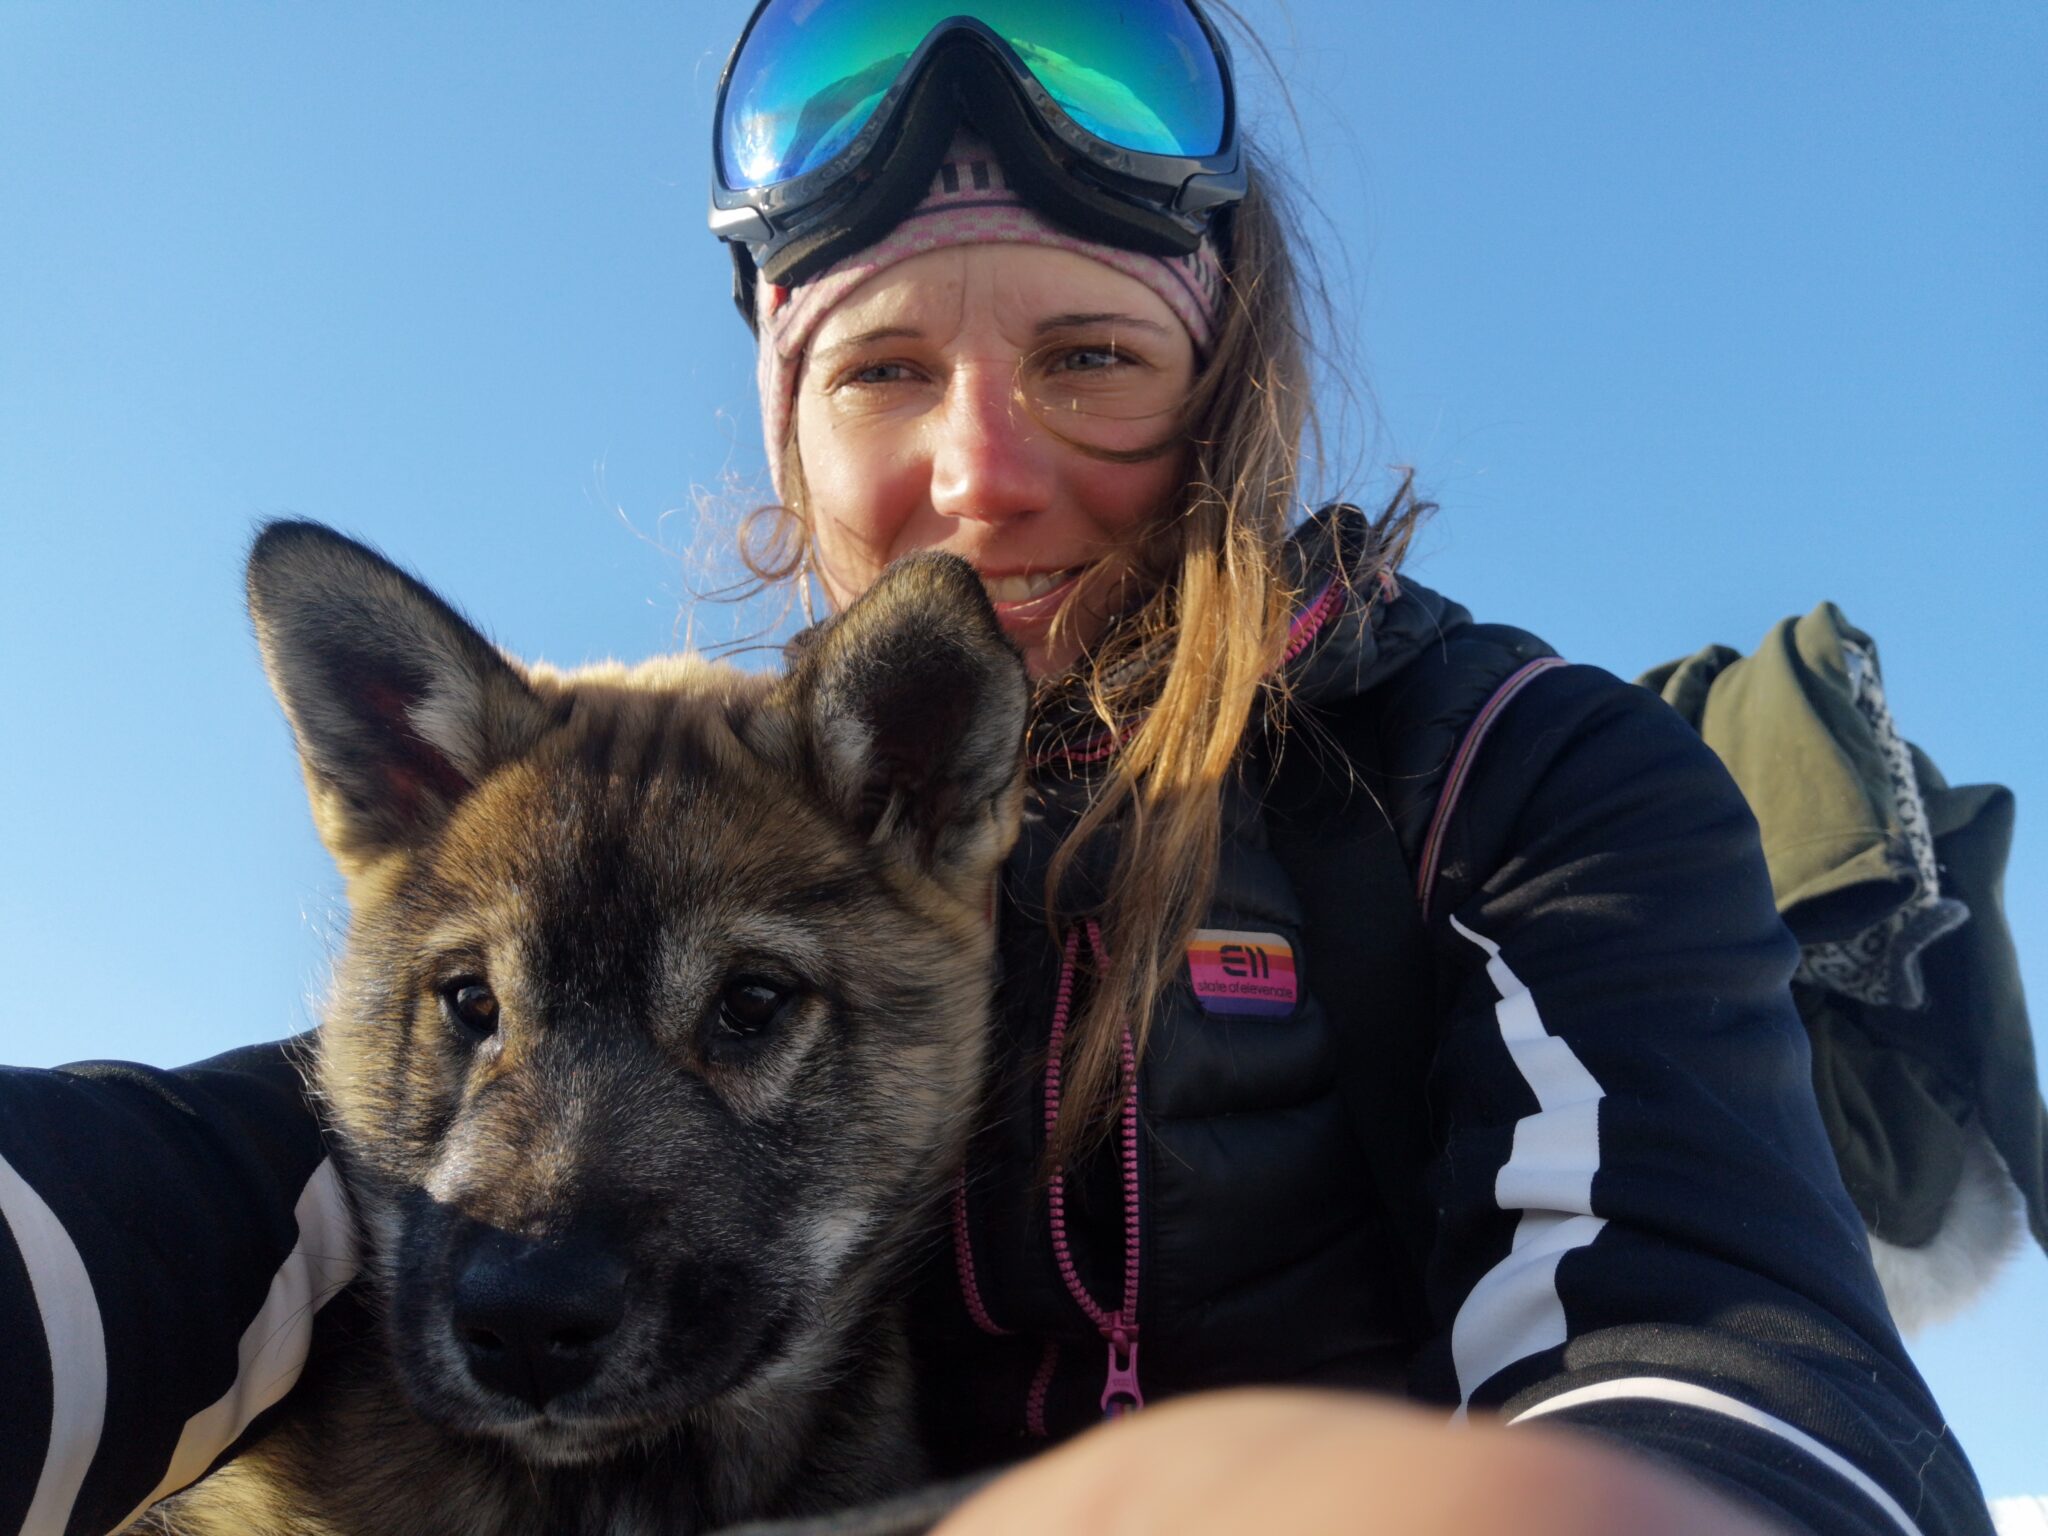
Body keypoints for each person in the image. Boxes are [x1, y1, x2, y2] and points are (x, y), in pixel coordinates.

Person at [0, 4, 1999, 1534]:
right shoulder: (662, 798)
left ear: (1227, 380)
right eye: (882, 371)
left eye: (1088, 358)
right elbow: (233, 1181)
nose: (982, 479)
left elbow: (1725, 1344)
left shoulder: (1506, 777)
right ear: (788, 427)